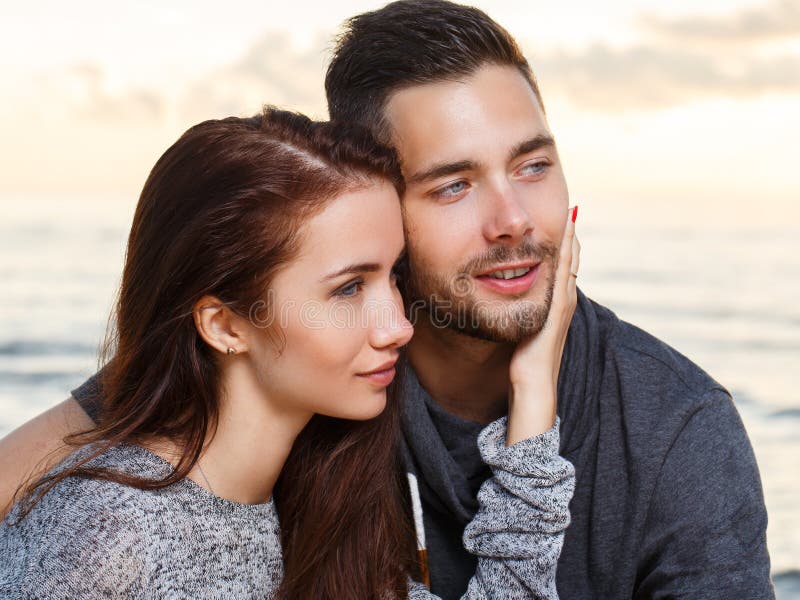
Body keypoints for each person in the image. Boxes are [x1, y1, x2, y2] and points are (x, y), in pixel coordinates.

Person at [0, 0, 774, 598]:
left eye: (533, 166)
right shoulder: (291, 358)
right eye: (454, 185)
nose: (512, 221)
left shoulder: (678, 429)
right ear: (371, 204)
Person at [0, 107, 578, 599]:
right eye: (350, 288)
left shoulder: (318, 512)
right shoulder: (104, 538)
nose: (400, 326)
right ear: (225, 324)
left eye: (394, 277)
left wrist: (531, 390)